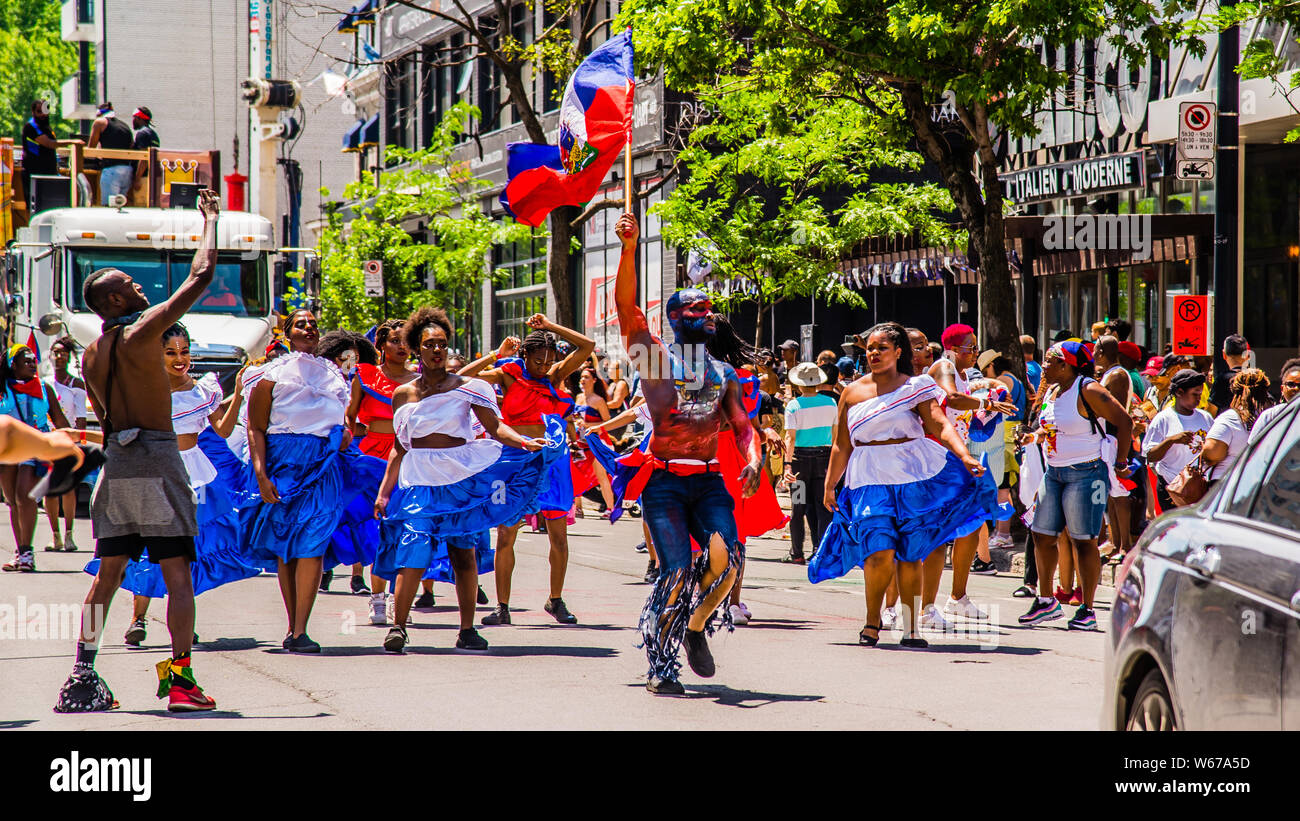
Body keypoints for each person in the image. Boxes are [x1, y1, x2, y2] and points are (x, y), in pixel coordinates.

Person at [54, 188, 221, 714]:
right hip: (155, 457)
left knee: (107, 577)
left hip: (118, 464)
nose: (140, 286)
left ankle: (83, 673)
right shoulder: (144, 332)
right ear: (116, 303)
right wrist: (210, 221)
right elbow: (201, 276)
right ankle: (181, 680)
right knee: (177, 574)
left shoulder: (92, 353)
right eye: (129, 284)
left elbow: (105, 421)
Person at [614, 213, 760, 694]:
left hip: (710, 478)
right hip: (664, 482)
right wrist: (630, 248)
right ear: (675, 318)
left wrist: (754, 458)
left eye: (709, 308)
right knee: (675, 573)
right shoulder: (655, 359)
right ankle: (660, 665)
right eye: (694, 308)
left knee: (728, 561)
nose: (705, 314)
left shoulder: (724, 372)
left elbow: (741, 425)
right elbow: (627, 308)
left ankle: (696, 627)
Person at [373, 306, 555, 653]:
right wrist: (384, 493)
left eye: (442, 343)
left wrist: (523, 441)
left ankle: (467, 628)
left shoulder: (470, 388)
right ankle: (398, 627)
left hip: (461, 475)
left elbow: (495, 427)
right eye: (430, 344)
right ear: (417, 348)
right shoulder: (403, 394)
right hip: (419, 477)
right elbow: (399, 447)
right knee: (413, 549)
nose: (437, 350)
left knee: (463, 552)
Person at [810, 322, 1003, 648]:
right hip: (868, 479)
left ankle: (912, 627)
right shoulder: (852, 392)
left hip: (913, 474)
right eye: (870, 348)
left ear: (897, 352)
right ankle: (873, 622)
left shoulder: (917, 386)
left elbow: (941, 424)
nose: (873, 353)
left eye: (881, 348)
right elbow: (841, 444)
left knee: (911, 554)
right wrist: (830, 485)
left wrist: (965, 455)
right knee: (878, 551)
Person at [82, 322, 256, 646]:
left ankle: (182, 625)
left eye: (185, 352)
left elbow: (222, 429)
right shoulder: (147, 389)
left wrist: (240, 393)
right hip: (154, 471)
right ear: (156, 354)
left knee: (186, 554)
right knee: (145, 551)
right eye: (171, 352)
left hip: (195, 473)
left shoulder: (204, 390)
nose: (180, 359)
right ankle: (137, 617)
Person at [241, 319, 387, 653]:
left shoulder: (335, 375)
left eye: (313, 325)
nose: (309, 328)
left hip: (325, 467)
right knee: (287, 548)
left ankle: (301, 629)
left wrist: (348, 433)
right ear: (287, 333)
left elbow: (342, 421)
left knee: (313, 544)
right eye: (300, 324)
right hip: (284, 465)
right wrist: (262, 476)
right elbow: (255, 429)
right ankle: (293, 626)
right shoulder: (269, 376)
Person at [462, 314, 594, 626]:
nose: (544, 366)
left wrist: (549, 327)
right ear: (524, 357)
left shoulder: (555, 375)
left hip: (552, 459)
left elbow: (587, 345)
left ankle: (556, 599)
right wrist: (497, 354)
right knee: (507, 533)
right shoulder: (508, 373)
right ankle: (502, 606)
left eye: (549, 360)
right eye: (537, 360)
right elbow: (463, 378)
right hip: (514, 457)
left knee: (558, 536)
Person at [1017, 341, 1133, 631]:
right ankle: (1046, 602)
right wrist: (1036, 436)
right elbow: (1055, 426)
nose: (1044, 365)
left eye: (1050, 360)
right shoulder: (1055, 391)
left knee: (1084, 541)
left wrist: (1120, 462)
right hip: (1054, 472)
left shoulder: (1089, 389)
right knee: (1041, 534)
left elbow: (1124, 420)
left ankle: (1087, 609)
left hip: (1086, 473)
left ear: (1066, 364)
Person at [925, 323, 1016, 625]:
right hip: (935, 459)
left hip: (959, 457)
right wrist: (987, 402)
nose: (975, 352)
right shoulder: (944, 366)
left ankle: (957, 598)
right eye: (970, 347)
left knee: (971, 525)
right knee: (938, 534)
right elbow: (951, 399)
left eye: (976, 347)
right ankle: (924, 608)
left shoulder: (966, 375)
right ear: (952, 349)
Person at [346, 319, 419, 611]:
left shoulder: (420, 378)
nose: (401, 347)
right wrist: (347, 448)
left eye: (405, 341)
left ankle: (398, 600)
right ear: (381, 345)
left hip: (410, 456)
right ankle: (377, 598)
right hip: (373, 455)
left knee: (407, 527)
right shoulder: (365, 375)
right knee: (377, 526)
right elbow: (350, 415)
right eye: (394, 341)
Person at [0, 345, 74, 571]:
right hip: (7, 448)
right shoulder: (3, 388)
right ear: (14, 365)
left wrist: (68, 445)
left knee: (25, 495)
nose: (33, 364)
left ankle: (27, 553)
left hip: (34, 446)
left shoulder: (44, 388)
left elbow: (60, 421)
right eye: (27, 361)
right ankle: (21, 552)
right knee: (12, 500)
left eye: (34, 361)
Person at [782, 362, 836, 565]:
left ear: (799, 384)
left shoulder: (794, 405)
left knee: (798, 507)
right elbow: (835, 436)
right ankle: (821, 551)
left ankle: (796, 553)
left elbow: (790, 438)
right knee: (823, 507)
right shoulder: (830, 403)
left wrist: (787, 465)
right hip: (824, 461)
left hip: (799, 464)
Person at [1141, 369, 1212, 514]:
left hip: (1200, 488)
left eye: (1200, 394)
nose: (1199, 399)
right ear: (1179, 392)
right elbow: (1149, 455)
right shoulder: (1163, 419)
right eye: (1194, 394)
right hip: (1171, 489)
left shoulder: (1206, 418)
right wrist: (1171, 440)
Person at [977, 350, 1027, 552]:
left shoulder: (1001, 381)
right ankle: (1000, 531)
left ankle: (1004, 533)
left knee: (1003, 487)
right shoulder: (1016, 380)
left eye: (985, 370)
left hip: (1004, 437)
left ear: (991, 365)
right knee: (1003, 485)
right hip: (1010, 435)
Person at [42, 336, 88, 553]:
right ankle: (55, 536)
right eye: (55, 352)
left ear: (69, 357)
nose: (59, 356)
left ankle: (69, 534)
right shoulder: (43, 383)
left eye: (63, 353)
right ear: (50, 356)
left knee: (68, 488)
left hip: (68, 441)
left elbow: (80, 418)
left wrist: (79, 442)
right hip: (46, 441)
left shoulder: (76, 385)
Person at [1093, 335, 1135, 563]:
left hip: (1115, 439)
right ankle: (1115, 541)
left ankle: (1124, 545)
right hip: (1107, 439)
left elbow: (1116, 412)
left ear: (1101, 352)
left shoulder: (1117, 375)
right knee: (1111, 493)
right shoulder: (1109, 374)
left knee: (1120, 494)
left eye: (1094, 350)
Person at [1202, 369, 1273, 483]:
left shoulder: (1229, 419)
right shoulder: (1273, 417)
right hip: (1260, 484)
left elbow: (1211, 454)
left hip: (1226, 485)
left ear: (1234, 391)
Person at [87, 102, 137, 205]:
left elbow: (90, 148)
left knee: (109, 207)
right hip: (127, 171)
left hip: (112, 170)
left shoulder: (100, 122)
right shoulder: (125, 126)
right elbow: (131, 146)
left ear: (99, 114)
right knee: (121, 206)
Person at [1250, 358, 1300, 444]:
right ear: (1282, 389)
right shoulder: (1270, 416)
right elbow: (1253, 447)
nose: (1296, 388)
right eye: (1291, 384)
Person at [1209, 333, 1250, 413]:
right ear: (1247, 355)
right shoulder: (1256, 378)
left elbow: (1211, 412)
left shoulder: (1222, 380)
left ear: (1224, 355)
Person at [131, 107, 159, 183]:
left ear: (139, 118)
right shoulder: (153, 134)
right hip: (152, 177)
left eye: (134, 118)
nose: (133, 120)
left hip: (143, 178)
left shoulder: (142, 133)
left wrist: (137, 179)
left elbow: (144, 158)